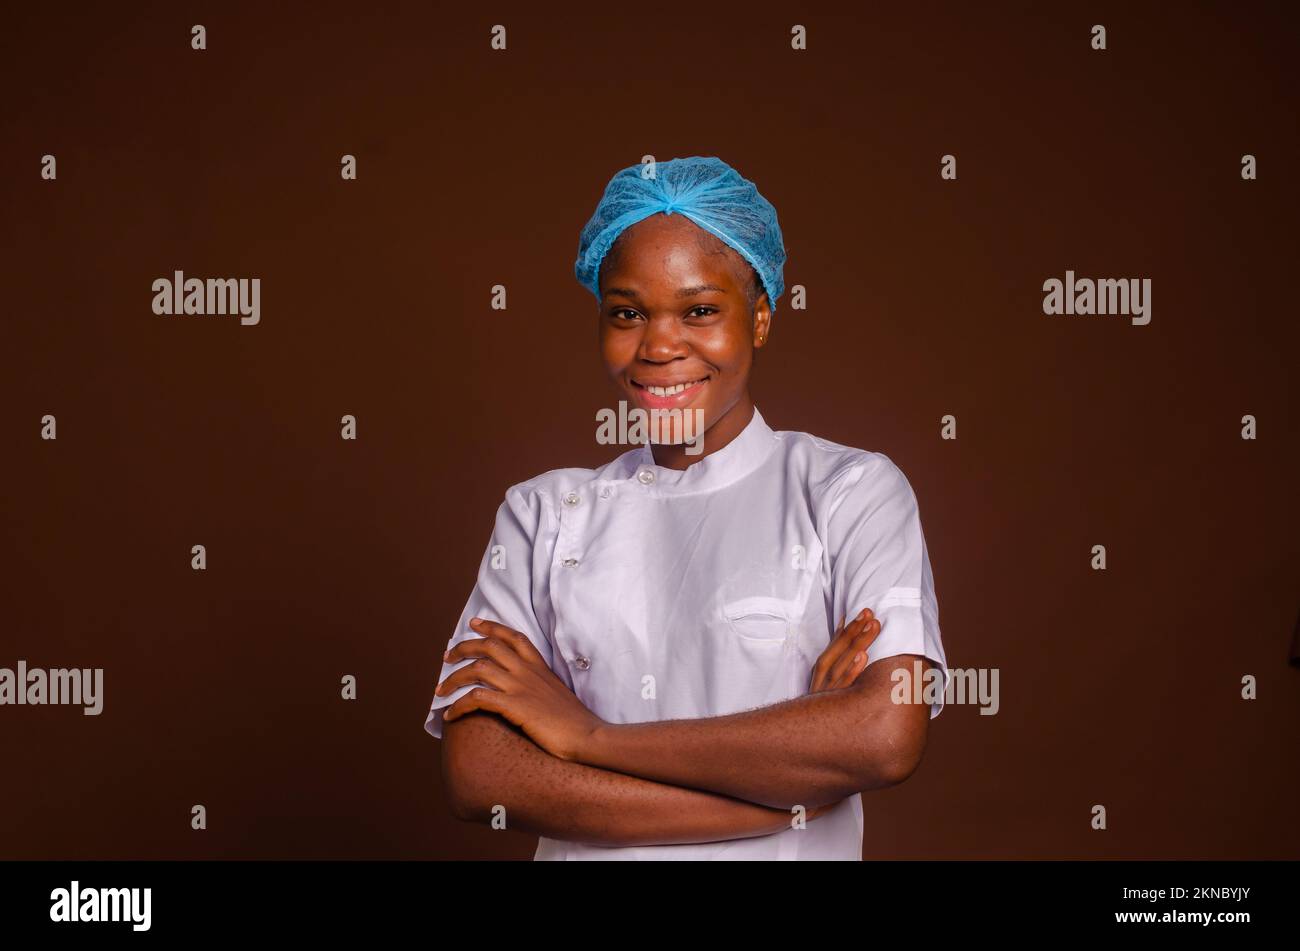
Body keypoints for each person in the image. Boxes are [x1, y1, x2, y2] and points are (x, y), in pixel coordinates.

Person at [424, 156, 950, 860]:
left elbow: (885, 733)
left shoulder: (850, 493)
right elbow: (481, 774)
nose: (661, 344)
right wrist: (783, 792)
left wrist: (586, 737)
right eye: (627, 312)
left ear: (759, 317)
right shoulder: (541, 516)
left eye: (700, 310)